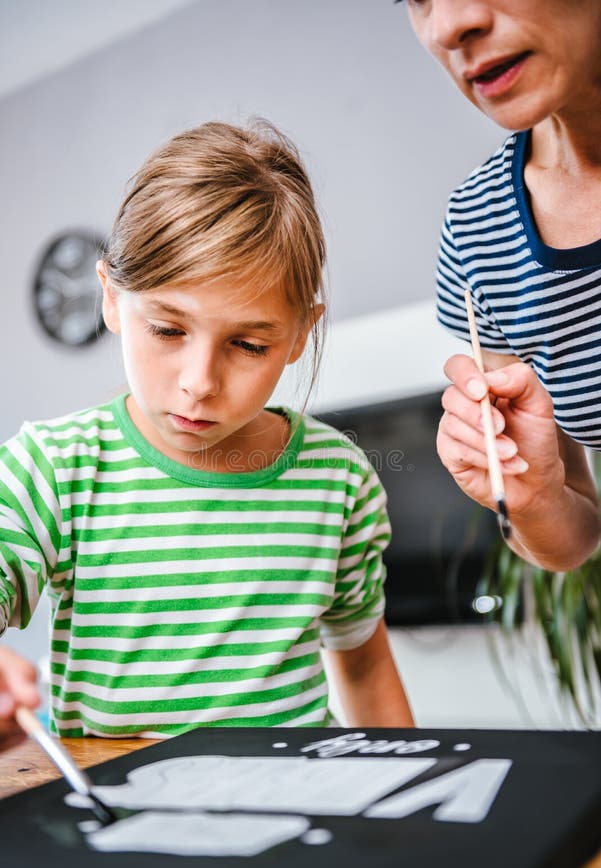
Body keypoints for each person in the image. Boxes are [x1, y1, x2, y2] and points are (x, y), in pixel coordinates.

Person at [0, 120, 414, 737]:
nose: (200, 381)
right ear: (112, 298)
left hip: (300, 809)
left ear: (301, 333)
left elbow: (364, 666)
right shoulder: (53, 466)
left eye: (247, 344)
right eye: (168, 330)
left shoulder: (338, 478)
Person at [400, 0, 601, 571]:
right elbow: (575, 533)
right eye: (412, 0)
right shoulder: (477, 223)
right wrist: (534, 495)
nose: (447, 26)